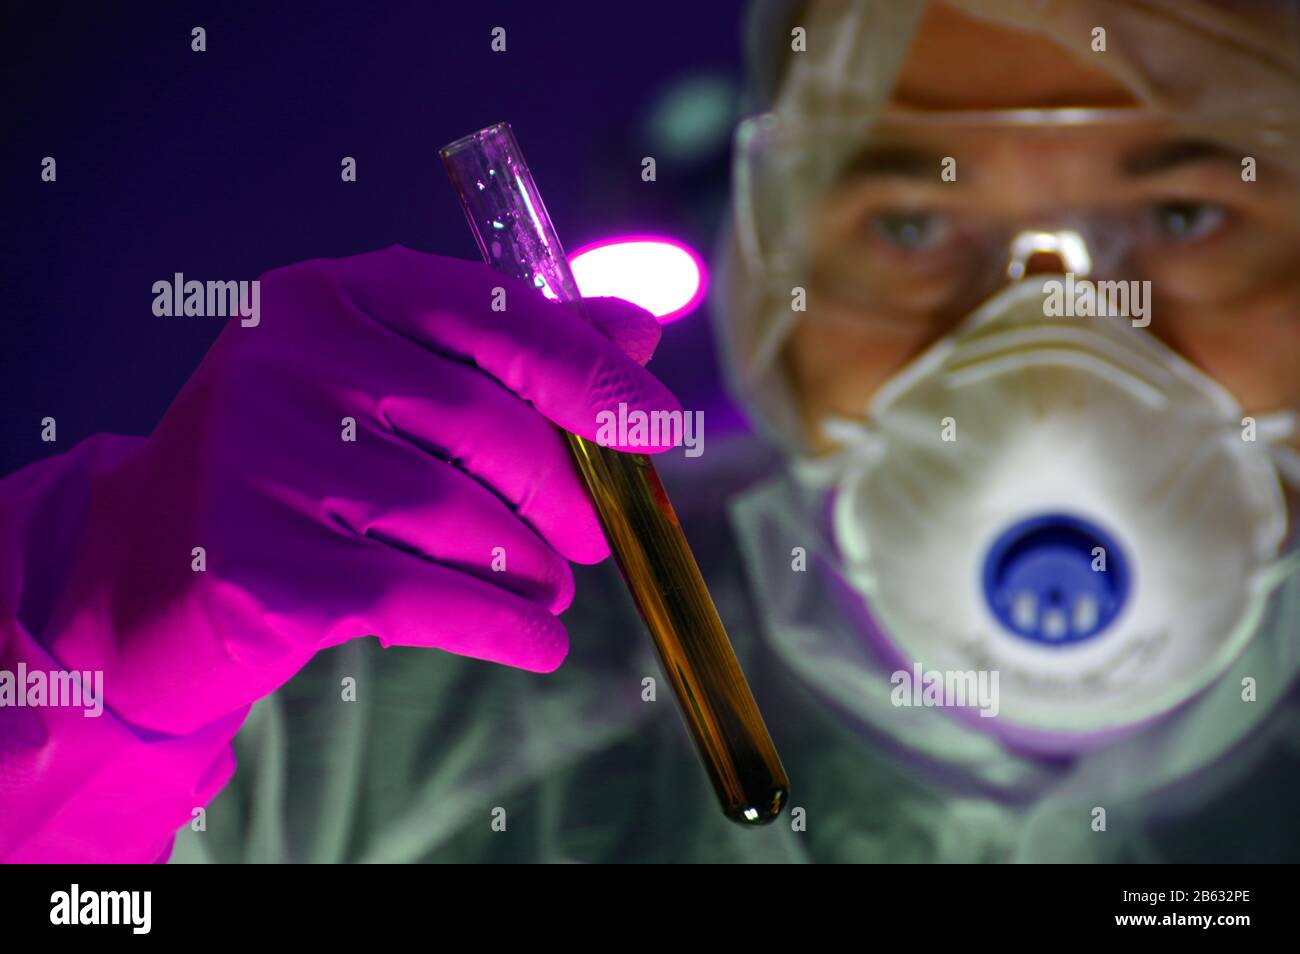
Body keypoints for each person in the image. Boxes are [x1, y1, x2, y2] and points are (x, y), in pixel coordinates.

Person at [2, 0, 1297, 863]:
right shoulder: (388, 687)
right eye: (911, 226)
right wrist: (81, 674)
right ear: (775, 263)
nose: (1052, 348)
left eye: (1190, 215)